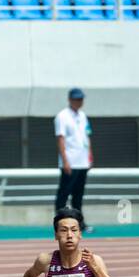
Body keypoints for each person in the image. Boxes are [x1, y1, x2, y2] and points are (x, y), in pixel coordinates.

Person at [55, 88, 93, 232]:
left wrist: (90, 156)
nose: (79, 101)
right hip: (70, 162)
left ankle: (79, 224)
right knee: (64, 194)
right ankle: (59, 224)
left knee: (78, 195)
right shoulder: (62, 116)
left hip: (82, 161)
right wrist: (65, 161)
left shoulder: (83, 116)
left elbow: (87, 136)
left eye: (81, 99)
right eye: (76, 99)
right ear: (70, 100)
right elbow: (60, 138)